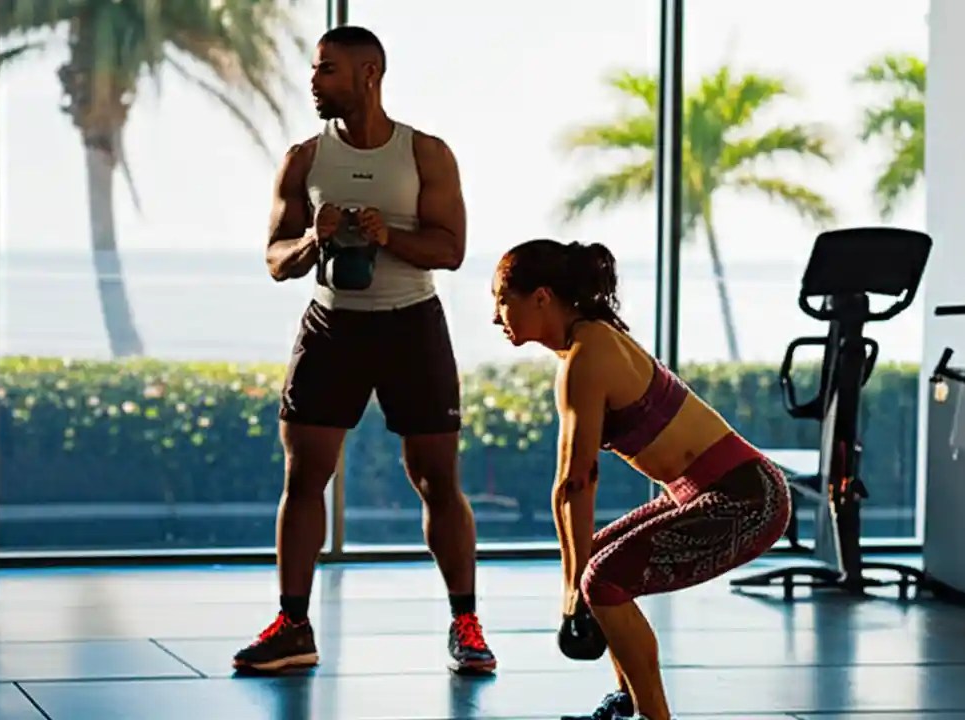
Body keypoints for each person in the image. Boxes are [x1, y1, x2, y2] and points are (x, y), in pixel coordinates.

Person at [233, 25, 497, 675]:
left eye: (327, 70)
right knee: (303, 480)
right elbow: (275, 259)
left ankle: (466, 623)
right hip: (332, 327)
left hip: (412, 325)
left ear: (369, 73)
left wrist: (387, 237)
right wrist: (313, 242)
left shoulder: (426, 154)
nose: (315, 82)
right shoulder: (303, 159)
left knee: (437, 479)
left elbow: (451, 250)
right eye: (316, 70)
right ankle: (293, 627)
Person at [490, 239, 792, 720]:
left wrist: (572, 591)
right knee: (602, 564)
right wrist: (576, 581)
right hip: (717, 490)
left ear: (541, 297)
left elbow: (575, 482)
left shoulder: (587, 356)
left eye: (502, 300)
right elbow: (574, 486)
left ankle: (654, 717)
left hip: (746, 497)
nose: (495, 316)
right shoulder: (588, 341)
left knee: (602, 578)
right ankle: (628, 703)